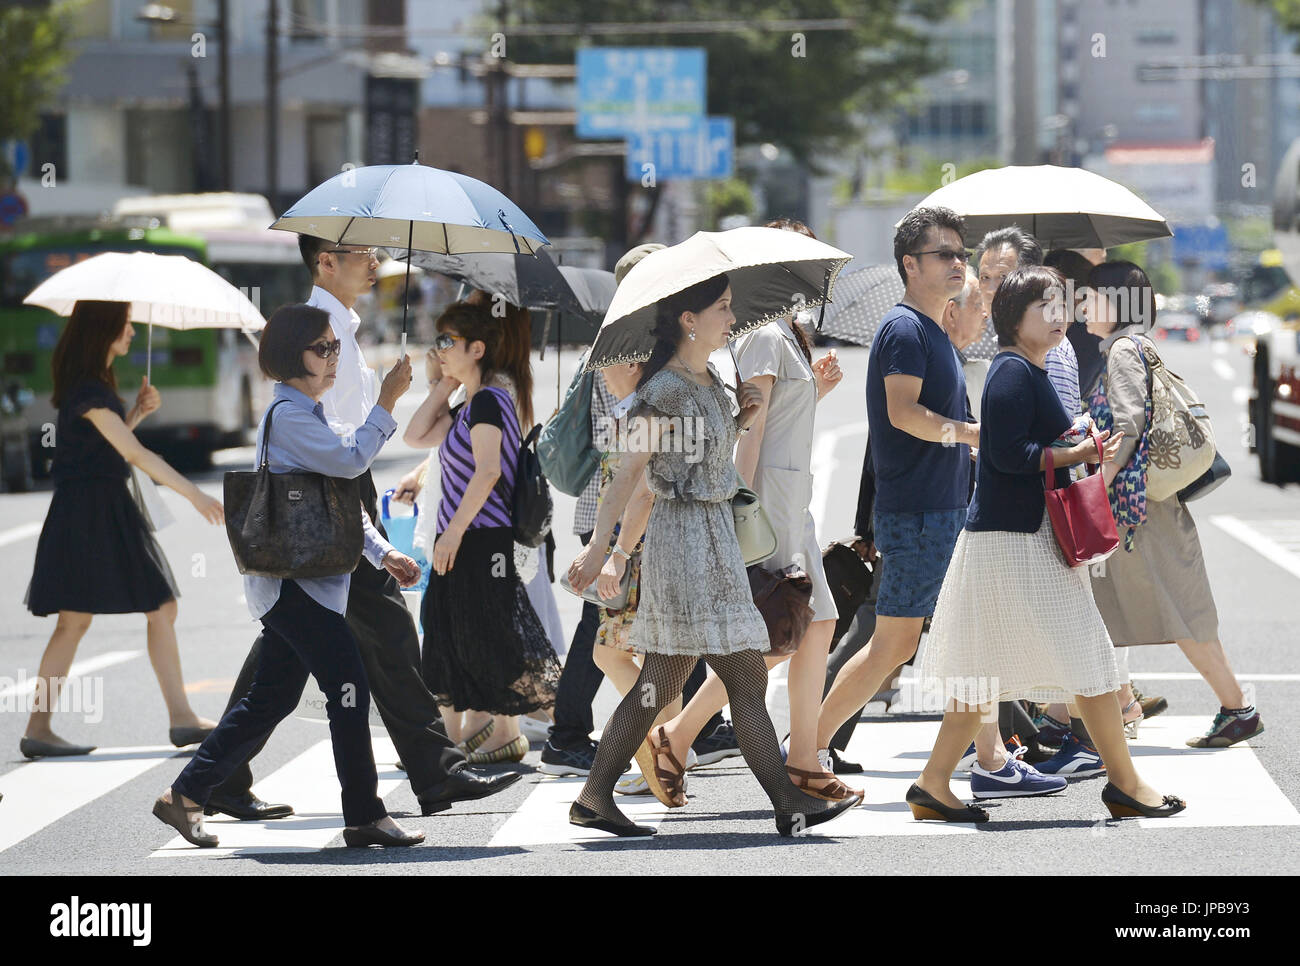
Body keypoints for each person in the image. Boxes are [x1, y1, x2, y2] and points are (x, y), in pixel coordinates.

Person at [204, 237, 517, 823]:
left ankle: (221, 776)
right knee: (383, 635)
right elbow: (341, 441)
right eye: (361, 253)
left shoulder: (344, 326)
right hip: (335, 488)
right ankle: (434, 773)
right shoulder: (320, 331)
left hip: (343, 487)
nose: (376, 262)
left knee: (291, 644)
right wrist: (390, 402)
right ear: (326, 261)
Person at [566, 272, 860, 837]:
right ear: (688, 320)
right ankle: (789, 801)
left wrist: (744, 417)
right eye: (722, 308)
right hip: (687, 546)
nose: (731, 318)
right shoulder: (666, 390)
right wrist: (607, 549)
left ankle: (595, 794)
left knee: (661, 679)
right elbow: (632, 472)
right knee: (746, 676)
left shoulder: (706, 381)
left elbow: (707, 457)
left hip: (712, 540)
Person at [910, 266, 1184, 822]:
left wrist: (1077, 441)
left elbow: (1026, 445)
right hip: (1016, 543)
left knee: (985, 675)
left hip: (1014, 539)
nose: (1060, 317)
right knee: (1091, 661)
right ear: (1014, 318)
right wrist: (1075, 454)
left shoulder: (1027, 367)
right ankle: (1125, 784)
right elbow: (1006, 454)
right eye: (1046, 307)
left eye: (1063, 306)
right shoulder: (1013, 370)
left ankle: (932, 785)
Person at [151, 303, 425, 848]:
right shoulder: (292, 416)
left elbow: (339, 500)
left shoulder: (310, 413)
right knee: (347, 686)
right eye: (321, 348)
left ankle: (185, 796)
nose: (332, 358)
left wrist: (380, 551)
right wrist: (386, 403)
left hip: (303, 585)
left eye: (336, 347)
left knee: (270, 699)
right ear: (287, 355)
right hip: (293, 586)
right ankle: (365, 813)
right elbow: (351, 464)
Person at [642, 218, 856, 805]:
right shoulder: (765, 334)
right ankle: (770, 754)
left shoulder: (783, 333)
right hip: (772, 507)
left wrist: (814, 389)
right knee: (780, 629)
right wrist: (744, 511)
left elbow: (774, 413)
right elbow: (750, 431)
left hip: (791, 502)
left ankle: (787, 754)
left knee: (806, 626)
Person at [22, 300, 223, 759]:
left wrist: (134, 414)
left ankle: (42, 727)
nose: (131, 332)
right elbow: (133, 455)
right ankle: (180, 718)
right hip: (92, 513)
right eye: (124, 324)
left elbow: (103, 449)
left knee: (88, 618)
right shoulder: (90, 391)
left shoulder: (88, 387)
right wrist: (195, 494)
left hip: (91, 510)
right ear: (104, 330)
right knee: (145, 608)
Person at [815, 206, 979, 760]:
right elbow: (904, 414)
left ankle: (991, 757)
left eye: (962, 253)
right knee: (891, 646)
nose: (959, 263)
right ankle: (807, 751)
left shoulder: (931, 329)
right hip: (918, 512)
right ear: (911, 264)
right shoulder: (906, 329)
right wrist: (972, 436)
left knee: (952, 639)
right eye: (945, 254)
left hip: (940, 507)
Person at [1083, 261, 1264, 749]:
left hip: (1140, 506)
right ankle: (1110, 708)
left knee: (1163, 608)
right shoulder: (1136, 346)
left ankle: (1233, 707)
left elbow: (1128, 424)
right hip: (1151, 502)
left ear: (1115, 302)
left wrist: (1097, 483)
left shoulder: (1123, 350)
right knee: (1116, 608)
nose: (1081, 306)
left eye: (1090, 297)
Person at [405, 300, 561, 763]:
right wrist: (447, 383)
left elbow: (489, 472)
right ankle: (486, 735)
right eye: (438, 342)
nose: (439, 351)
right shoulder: (472, 401)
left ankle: (568, 726)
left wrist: (451, 533)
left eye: (447, 342)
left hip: (479, 538)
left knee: (502, 639)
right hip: (461, 538)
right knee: (454, 636)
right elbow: (414, 437)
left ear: (477, 348)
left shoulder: (491, 401)